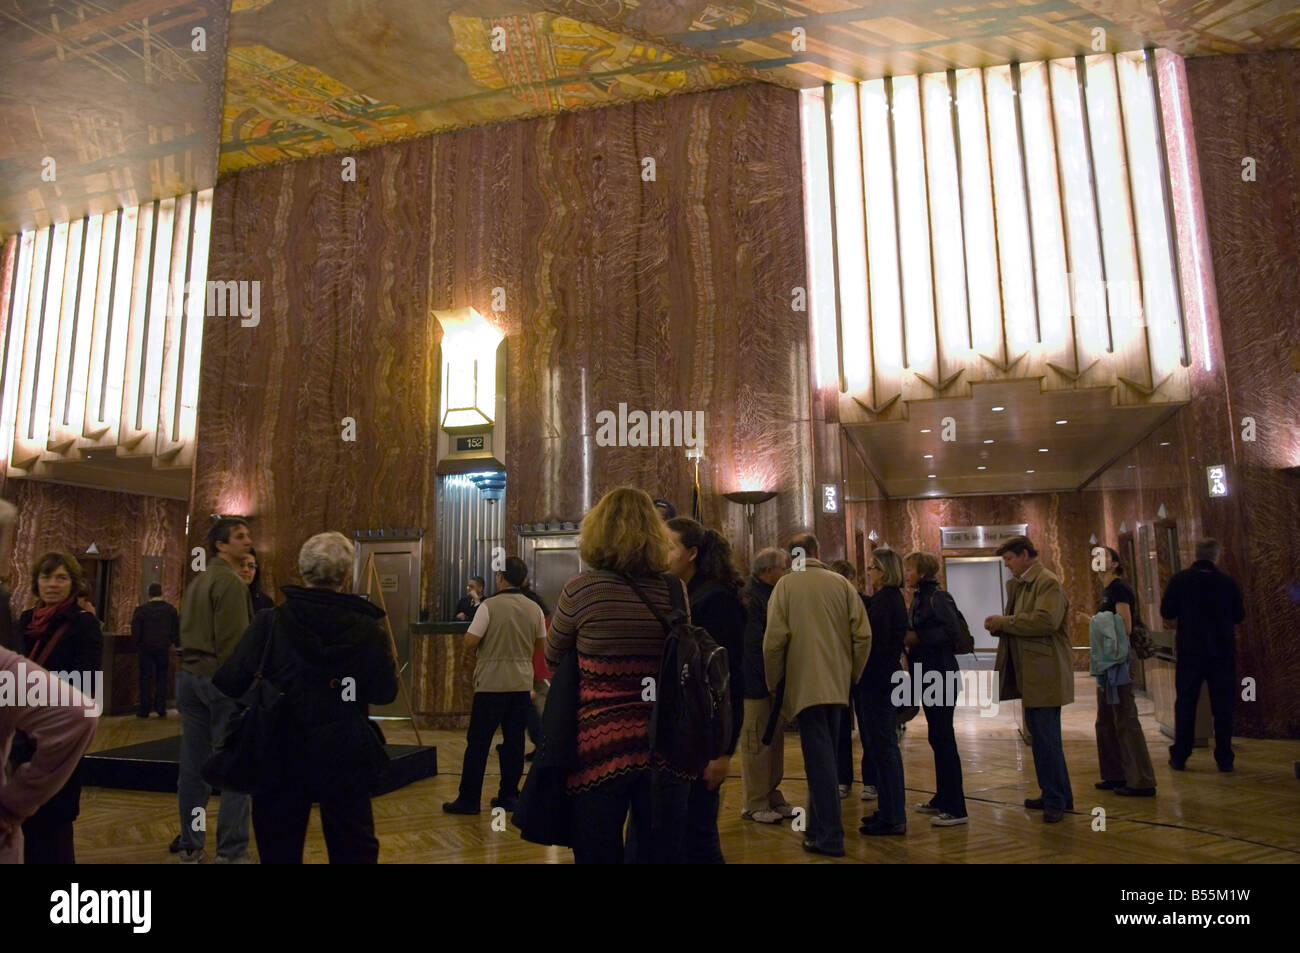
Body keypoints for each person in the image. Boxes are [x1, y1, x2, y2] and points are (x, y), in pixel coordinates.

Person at [215, 532, 397, 863]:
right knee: (353, 848)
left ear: (302, 571)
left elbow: (229, 680)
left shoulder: (270, 621)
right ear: (345, 576)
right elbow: (386, 692)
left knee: (278, 849)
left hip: (279, 746)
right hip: (344, 750)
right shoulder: (368, 628)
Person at [545, 487, 693, 864]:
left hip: (597, 745)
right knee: (656, 853)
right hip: (663, 743)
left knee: (596, 852)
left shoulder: (581, 589)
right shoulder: (675, 590)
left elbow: (552, 655)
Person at [763, 533, 870, 857]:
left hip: (805, 685)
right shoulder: (840, 583)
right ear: (817, 551)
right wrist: (850, 674)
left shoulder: (785, 586)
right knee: (824, 760)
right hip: (837, 685)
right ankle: (814, 830)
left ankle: (830, 837)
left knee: (819, 761)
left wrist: (775, 682)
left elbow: (773, 643)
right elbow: (863, 636)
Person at [11, 552, 103, 864]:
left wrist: (37, 694)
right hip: (20, 731)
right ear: (36, 582)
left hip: (59, 730)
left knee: (54, 820)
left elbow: (86, 684)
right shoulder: (23, 621)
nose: (53, 584)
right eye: (47, 577)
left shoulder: (84, 623)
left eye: (61, 578)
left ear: (73, 584)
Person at [665, 517, 746, 864]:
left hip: (704, 740)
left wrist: (722, 751)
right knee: (685, 834)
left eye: (670, 547)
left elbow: (727, 682)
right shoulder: (686, 594)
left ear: (692, 553)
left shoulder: (715, 600)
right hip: (687, 735)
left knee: (699, 836)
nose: (662, 554)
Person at [177, 517, 255, 863]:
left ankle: (192, 843)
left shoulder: (198, 583)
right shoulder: (231, 584)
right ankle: (231, 851)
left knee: (194, 769)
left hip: (188, 681)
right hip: (219, 683)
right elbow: (233, 646)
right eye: (240, 537)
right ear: (221, 545)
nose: (248, 542)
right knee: (237, 767)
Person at [444, 556, 546, 814]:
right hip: (521, 683)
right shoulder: (533, 608)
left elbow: (470, 641)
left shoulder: (488, 606)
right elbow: (540, 645)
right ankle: (509, 796)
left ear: (501, 578)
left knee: (478, 742)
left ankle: (468, 800)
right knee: (514, 742)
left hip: (491, 683)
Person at [986, 535, 1074, 823]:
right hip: (1033, 674)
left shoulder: (1046, 582)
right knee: (1041, 738)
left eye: (1009, 559)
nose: (1008, 566)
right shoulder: (1024, 585)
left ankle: (1056, 799)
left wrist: (1005, 622)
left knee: (1047, 739)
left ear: (1025, 555)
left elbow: (1046, 621)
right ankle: (1054, 792)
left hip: (1045, 674)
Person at [0, 647, 98, 865]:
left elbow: (85, 700)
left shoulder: (82, 625)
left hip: (42, 735)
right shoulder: (26, 622)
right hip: (30, 731)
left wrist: (13, 804)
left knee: (54, 834)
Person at [1160, 538, 1245, 773]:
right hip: (1222, 652)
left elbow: (1167, 611)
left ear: (1195, 555)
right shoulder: (1227, 582)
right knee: (1223, 706)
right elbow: (1239, 615)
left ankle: (1181, 754)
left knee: (1186, 703)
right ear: (1216, 556)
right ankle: (1224, 756)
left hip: (1190, 651)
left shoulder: (1180, 580)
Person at [903, 551, 969, 827]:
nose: (906, 573)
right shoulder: (921, 596)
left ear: (922, 571)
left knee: (943, 738)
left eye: (909, 568)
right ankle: (943, 796)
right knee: (937, 737)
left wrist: (918, 638)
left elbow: (952, 632)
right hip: (930, 673)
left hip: (940, 674)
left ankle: (956, 807)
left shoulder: (938, 597)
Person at [1091, 547, 1156, 796]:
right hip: (1106, 660)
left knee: (1125, 716)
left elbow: (1125, 626)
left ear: (1115, 563)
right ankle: (1115, 774)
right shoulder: (1107, 590)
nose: (1097, 560)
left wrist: (1095, 622)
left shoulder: (1119, 588)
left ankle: (1141, 780)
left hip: (1117, 660)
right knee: (1106, 719)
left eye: (1103, 556)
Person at [738, 547, 794, 824]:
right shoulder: (751, 598)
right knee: (757, 742)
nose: (785, 572)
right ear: (768, 571)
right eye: (782, 567)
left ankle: (771, 793)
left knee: (774, 741)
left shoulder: (770, 594)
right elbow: (754, 647)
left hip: (773, 682)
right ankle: (755, 801)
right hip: (756, 684)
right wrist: (768, 680)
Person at [858, 549, 909, 835]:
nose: (869, 572)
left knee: (884, 747)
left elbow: (873, 643)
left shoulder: (887, 601)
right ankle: (889, 810)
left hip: (878, 682)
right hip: (882, 679)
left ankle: (893, 816)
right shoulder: (887, 599)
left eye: (872, 567)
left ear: (884, 570)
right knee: (880, 748)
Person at [829, 560, 874, 800]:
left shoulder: (865, 602)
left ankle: (870, 780)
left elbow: (865, 638)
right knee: (841, 728)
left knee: (867, 728)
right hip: (840, 672)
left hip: (860, 672)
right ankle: (842, 778)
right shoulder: (831, 606)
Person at [130, 582, 179, 718]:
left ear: (149, 594)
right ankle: (161, 708)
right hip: (163, 648)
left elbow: (135, 631)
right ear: (161, 593)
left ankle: (144, 709)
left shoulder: (141, 610)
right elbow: (175, 630)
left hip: (145, 649)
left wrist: (137, 644)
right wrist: (173, 642)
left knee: (145, 678)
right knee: (162, 677)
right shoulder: (170, 610)